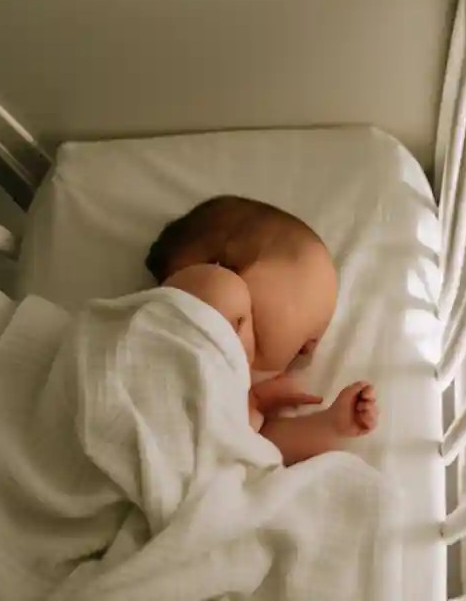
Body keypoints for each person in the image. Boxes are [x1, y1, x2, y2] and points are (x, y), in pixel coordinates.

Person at [145, 195, 378, 465]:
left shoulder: (240, 398)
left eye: (312, 339)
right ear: (225, 268)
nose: (308, 349)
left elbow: (255, 453)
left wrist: (329, 426)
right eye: (310, 322)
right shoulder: (190, 313)